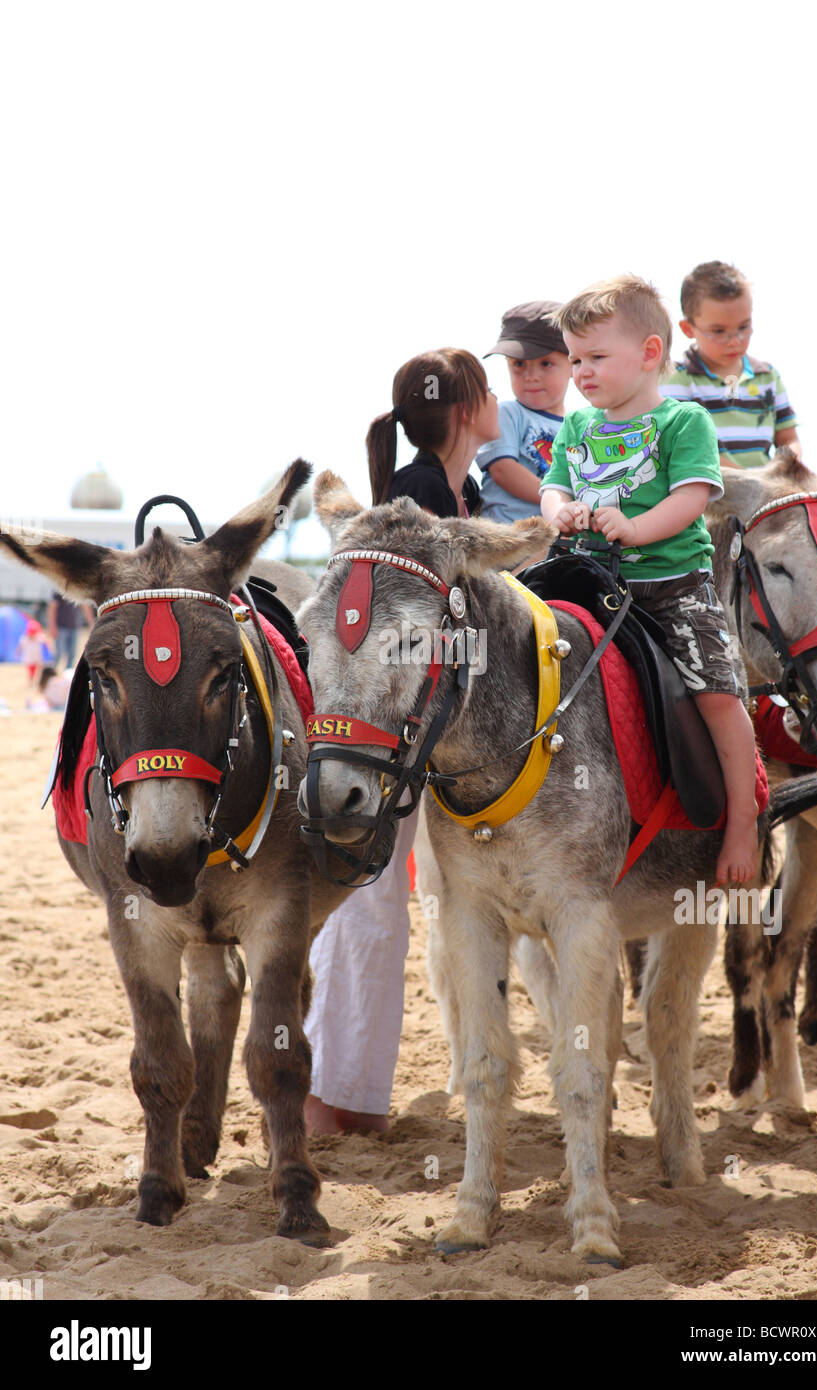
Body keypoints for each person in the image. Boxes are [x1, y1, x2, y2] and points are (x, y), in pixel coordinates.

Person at [305, 348, 500, 1135]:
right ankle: (336, 1099)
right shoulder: (419, 500)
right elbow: (388, 638)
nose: (501, 405)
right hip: (389, 728)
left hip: (428, 731)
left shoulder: (467, 491)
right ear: (465, 412)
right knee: (371, 904)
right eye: (489, 393)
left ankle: (343, 1092)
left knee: (390, 902)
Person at [539, 274, 758, 886]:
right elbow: (553, 485)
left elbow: (693, 497)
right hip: (586, 584)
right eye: (574, 359)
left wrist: (634, 529)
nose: (580, 372)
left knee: (717, 693)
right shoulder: (577, 429)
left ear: (650, 353)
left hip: (670, 587)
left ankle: (742, 820)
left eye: (596, 357)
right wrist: (561, 512)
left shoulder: (682, 422)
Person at [660, 261, 801, 468]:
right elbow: (690, 448)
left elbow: (788, 438)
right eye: (719, 331)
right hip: (711, 491)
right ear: (688, 328)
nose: (735, 340)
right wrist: (751, 480)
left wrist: (787, 464)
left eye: (744, 327)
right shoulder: (676, 378)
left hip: (766, 490)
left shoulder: (767, 377)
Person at [476, 301, 572, 524]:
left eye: (546, 363)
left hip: (554, 539)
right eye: (519, 364)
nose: (531, 376)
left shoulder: (580, 424)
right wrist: (560, 503)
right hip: (509, 535)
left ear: (573, 364)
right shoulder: (509, 413)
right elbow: (503, 470)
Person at [47, 592, 92, 670]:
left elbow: (85, 606)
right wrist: (52, 626)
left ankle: (67, 676)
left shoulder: (77, 591)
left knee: (72, 654)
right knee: (59, 654)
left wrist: (91, 624)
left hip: (74, 627)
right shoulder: (60, 591)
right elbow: (52, 607)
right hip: (61, 627)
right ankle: (50, 674)